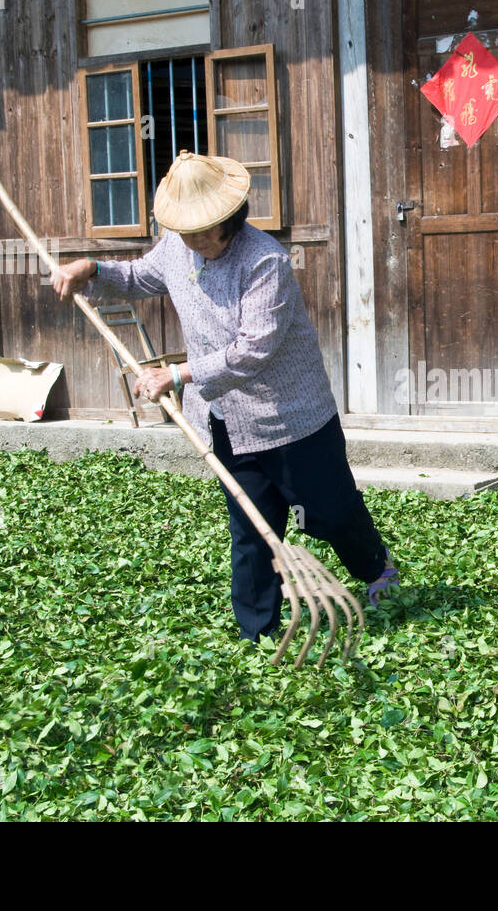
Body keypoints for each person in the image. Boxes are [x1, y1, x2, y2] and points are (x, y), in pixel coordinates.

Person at [50, 150, 398, 642]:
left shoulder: (265, 261)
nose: (190, 242)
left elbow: (253, 350)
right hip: (228, 420)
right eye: (184, 231)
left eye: (200, 232)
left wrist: (176, 374)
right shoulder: (178, 246)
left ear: (229, 222)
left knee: (330, 512)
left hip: (292, 418)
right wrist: (90, 269)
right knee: (252, 532)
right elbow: (143, 276)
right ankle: (257, 632)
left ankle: (375, 566)